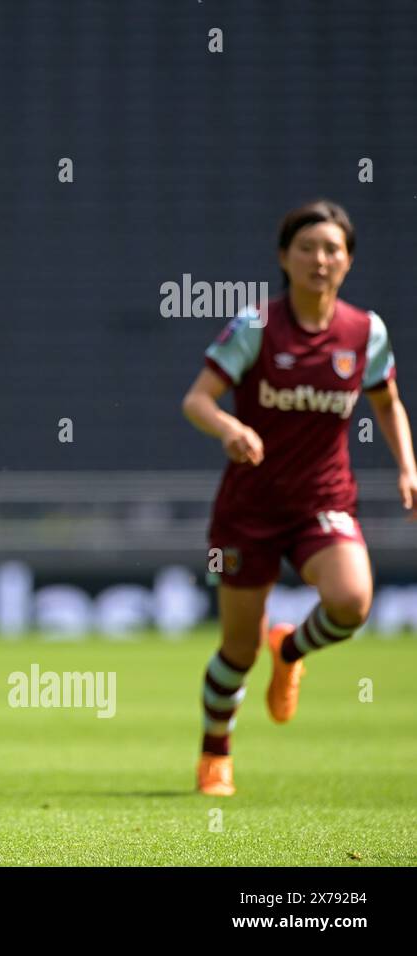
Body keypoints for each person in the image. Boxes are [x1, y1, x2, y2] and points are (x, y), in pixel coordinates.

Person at [181, 199, 416, 796]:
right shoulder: (256, 326)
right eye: (307, 248)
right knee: (236, 648)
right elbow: (197, 400)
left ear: (348, 261)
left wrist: (407, 468)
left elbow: (387, 403)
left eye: (332, 249)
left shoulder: (366, 332)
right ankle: (216, 752)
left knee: (352, 602)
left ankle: (291, 650)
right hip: (249, 508)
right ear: (285, 258)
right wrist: (231, 428)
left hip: (322, 499)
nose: (320, 259)